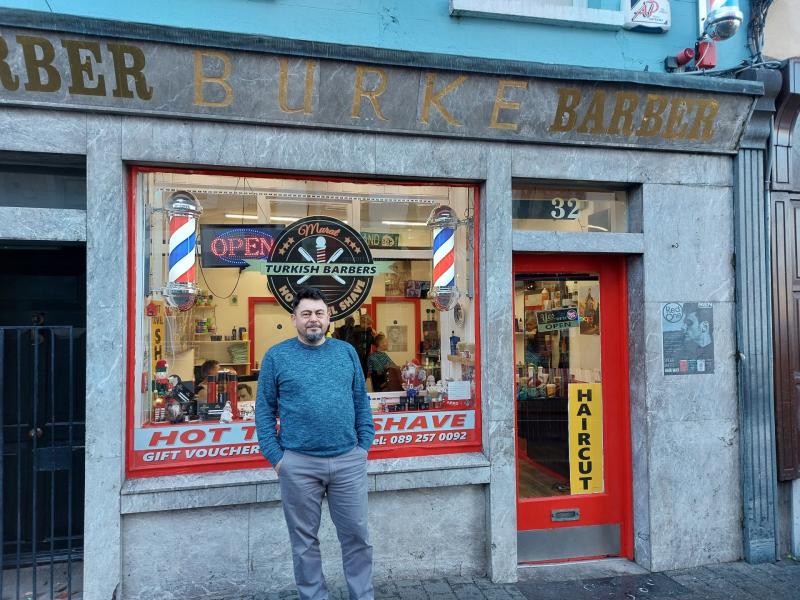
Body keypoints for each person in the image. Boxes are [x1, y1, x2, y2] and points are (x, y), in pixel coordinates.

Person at [255, 287, 375, 600]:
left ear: (329, 318)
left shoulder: (346, 352)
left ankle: (362, 596)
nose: (313, 320)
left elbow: (360, 399)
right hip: (298, 464)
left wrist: (364, 446)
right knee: (304, 542)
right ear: (293, 319)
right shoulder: (277, 357)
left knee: (357, 537)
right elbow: (264, 409)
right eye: (306, 314)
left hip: (348, 460)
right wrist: (278, 459)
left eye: (319, 313)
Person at [346, 313, 375, 378]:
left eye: (369, 324)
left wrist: (375, 336)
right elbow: (353, 333)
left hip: (365, 359)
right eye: (365, 323)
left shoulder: (369, 332)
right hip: (356, 358)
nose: (367, 326)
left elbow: (375, 343)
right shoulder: (355, 330)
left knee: (363, 376)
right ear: (361, 322)